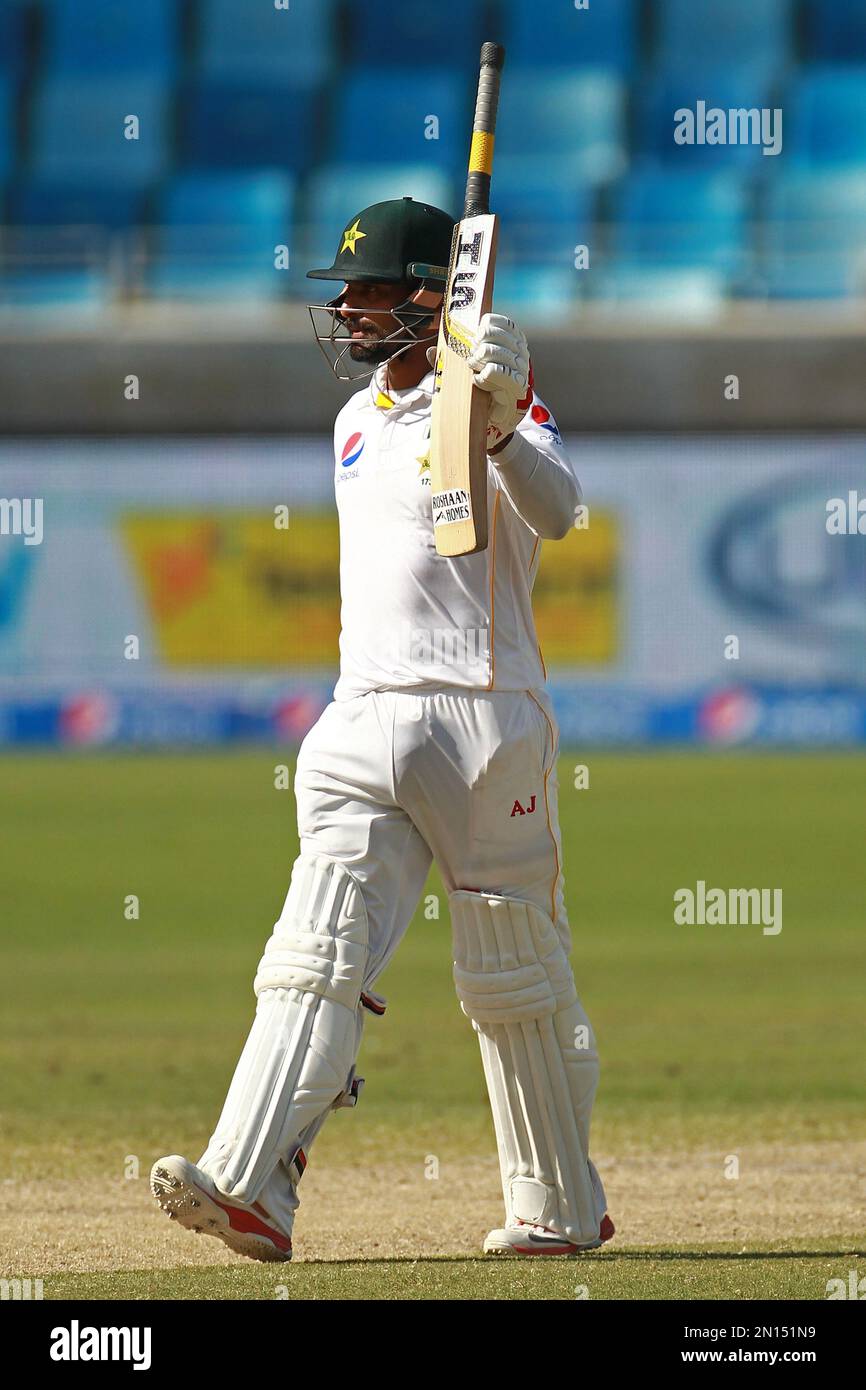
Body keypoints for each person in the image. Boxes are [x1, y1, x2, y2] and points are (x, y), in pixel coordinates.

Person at [151, 197, 614, 1260]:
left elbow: (557, 511)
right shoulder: (354, 418)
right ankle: (253, 1181)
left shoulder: (496, 393)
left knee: (511, 973)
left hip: (482, 716)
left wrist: (497, 420)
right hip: (361, 714)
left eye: (364, 292)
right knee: (314, 956)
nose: (347, 312)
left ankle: (557, 1207)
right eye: (342, 294)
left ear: (425, 295)